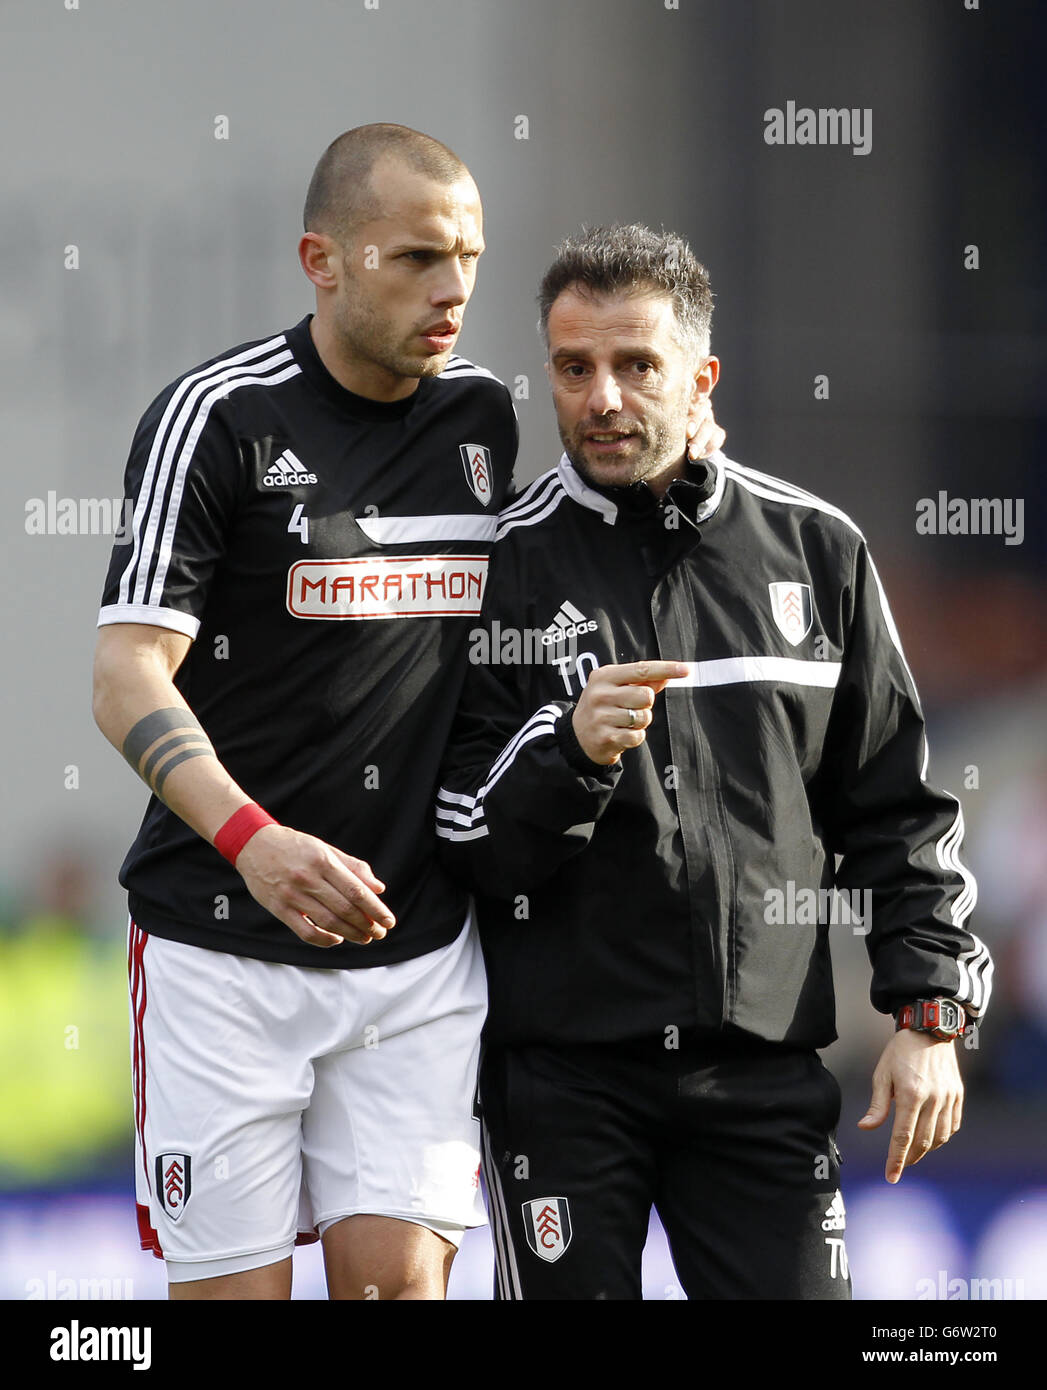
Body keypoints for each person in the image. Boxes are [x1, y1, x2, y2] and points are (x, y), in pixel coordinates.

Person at [93, 129, 724, 1301]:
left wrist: (689, 462)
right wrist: (254, 840)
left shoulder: (481, 417)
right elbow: (127, 672)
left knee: (395, 1288)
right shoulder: (217, 420)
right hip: (222, 940)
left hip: (416, 947)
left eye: (470, 258)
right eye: (418, 259)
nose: (453, 292)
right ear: (321, 259)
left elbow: (586, 507)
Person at [435, 223, 993, 1300]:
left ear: (701, 375)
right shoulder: (495, 567)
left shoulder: (817, 548)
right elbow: (458, 835)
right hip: (561, 1079)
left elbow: (898, 811)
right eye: (573, 366)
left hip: (763, 1073)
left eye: (636, 364)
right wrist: (565, 755)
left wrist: (929, 1014)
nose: (602, 397)